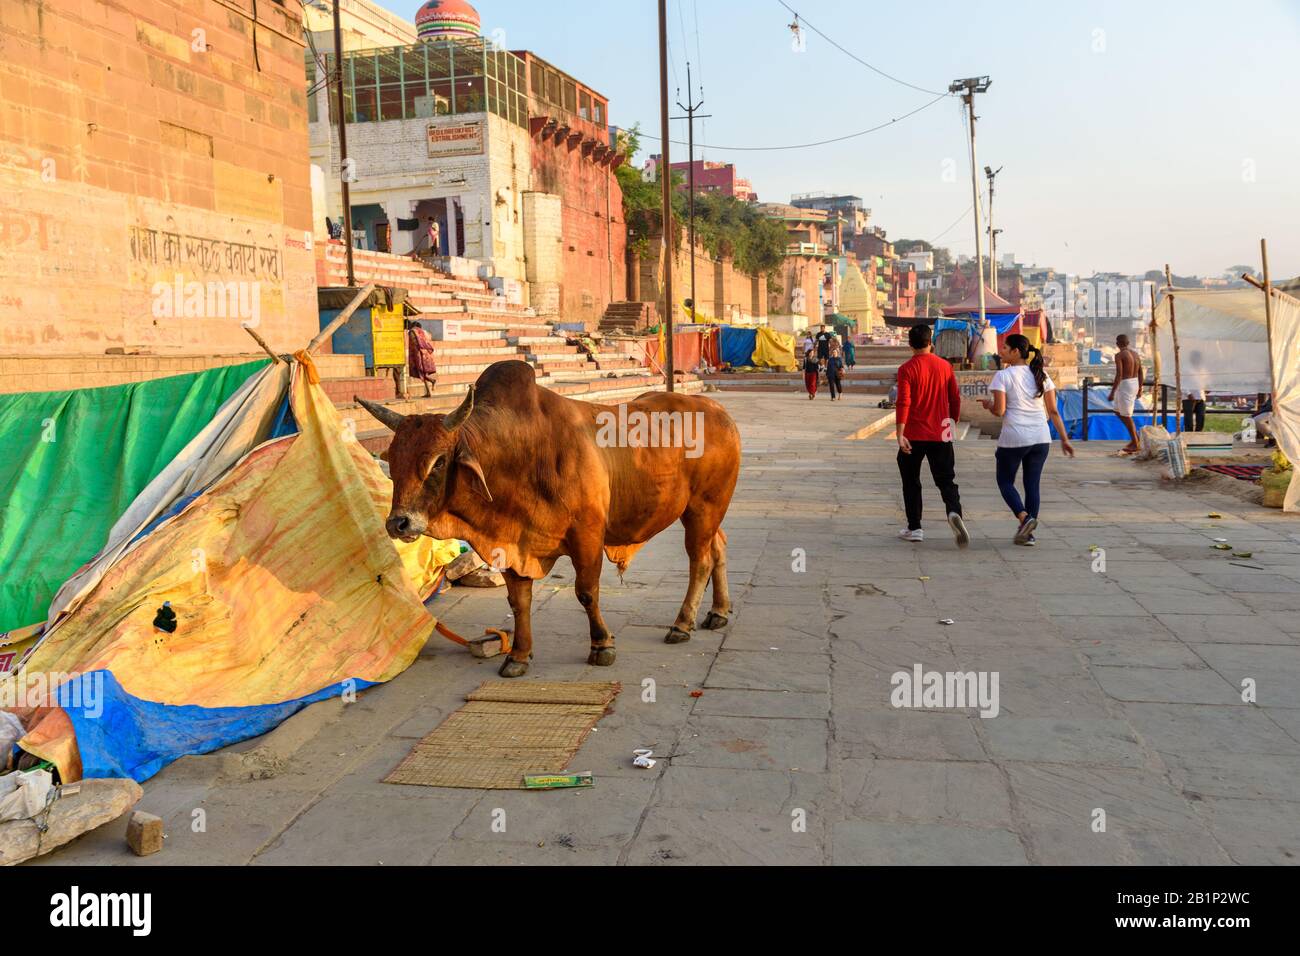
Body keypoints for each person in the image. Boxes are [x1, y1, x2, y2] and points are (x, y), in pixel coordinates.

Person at [980, 333, 1075, 546]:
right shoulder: (1041, 375)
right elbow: (1053, 411)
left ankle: (1025, 519)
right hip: (1041, 437)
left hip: (1015, 436)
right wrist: (1064, 439)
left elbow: (1000, 410)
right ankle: (1028, 535)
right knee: (1032, 484)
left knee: (1004, 481)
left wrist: (989, 406)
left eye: (1004, 347)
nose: (1000, 351)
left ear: (1015, 352)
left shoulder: (1002, 376)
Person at [895, 323, 968, 547]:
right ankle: (954, 512)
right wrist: (952, 421)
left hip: (914, 433)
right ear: (931, 342)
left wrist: (900, 433)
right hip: (941, 431)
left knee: (911, 481)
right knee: (946, 480)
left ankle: (915, 527)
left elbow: (904, 401)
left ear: (910, 345)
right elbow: (955, 398)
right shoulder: (945, 366)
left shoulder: (907, 369)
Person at [1108, 334, 1143, 454]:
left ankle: (1135, 443)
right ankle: (1136, 439)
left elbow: (1119, 375)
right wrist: (1140, 388)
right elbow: (1141, 372)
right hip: (1134, 383)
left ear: (1118, 344)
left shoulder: (1119, 355)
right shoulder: (1135, 354)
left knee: (1127, 416)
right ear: (1128, 343)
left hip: (1125, 384)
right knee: (1117, 411)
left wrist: (1112, 392)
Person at [405, 319, 437, 398]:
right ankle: (429, 392)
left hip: (418, 353)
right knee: (422, 373)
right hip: (426, 353)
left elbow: (415, 343)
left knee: (420, 372)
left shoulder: (412, 331)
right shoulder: (421, 331)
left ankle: (432, 381)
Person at [825, 334, 844, 401]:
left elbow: (841, 366)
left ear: (837, 353)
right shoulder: (830, 359)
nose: (834, 353)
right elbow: (828, 367)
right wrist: (827, 374)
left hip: (837, 374)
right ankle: (833, 397)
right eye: (833, 352)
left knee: (838, 385)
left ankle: (840, 393)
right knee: (831, 386)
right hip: (830, 374)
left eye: (835, 352)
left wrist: (842, 371)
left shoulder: (839, 359)